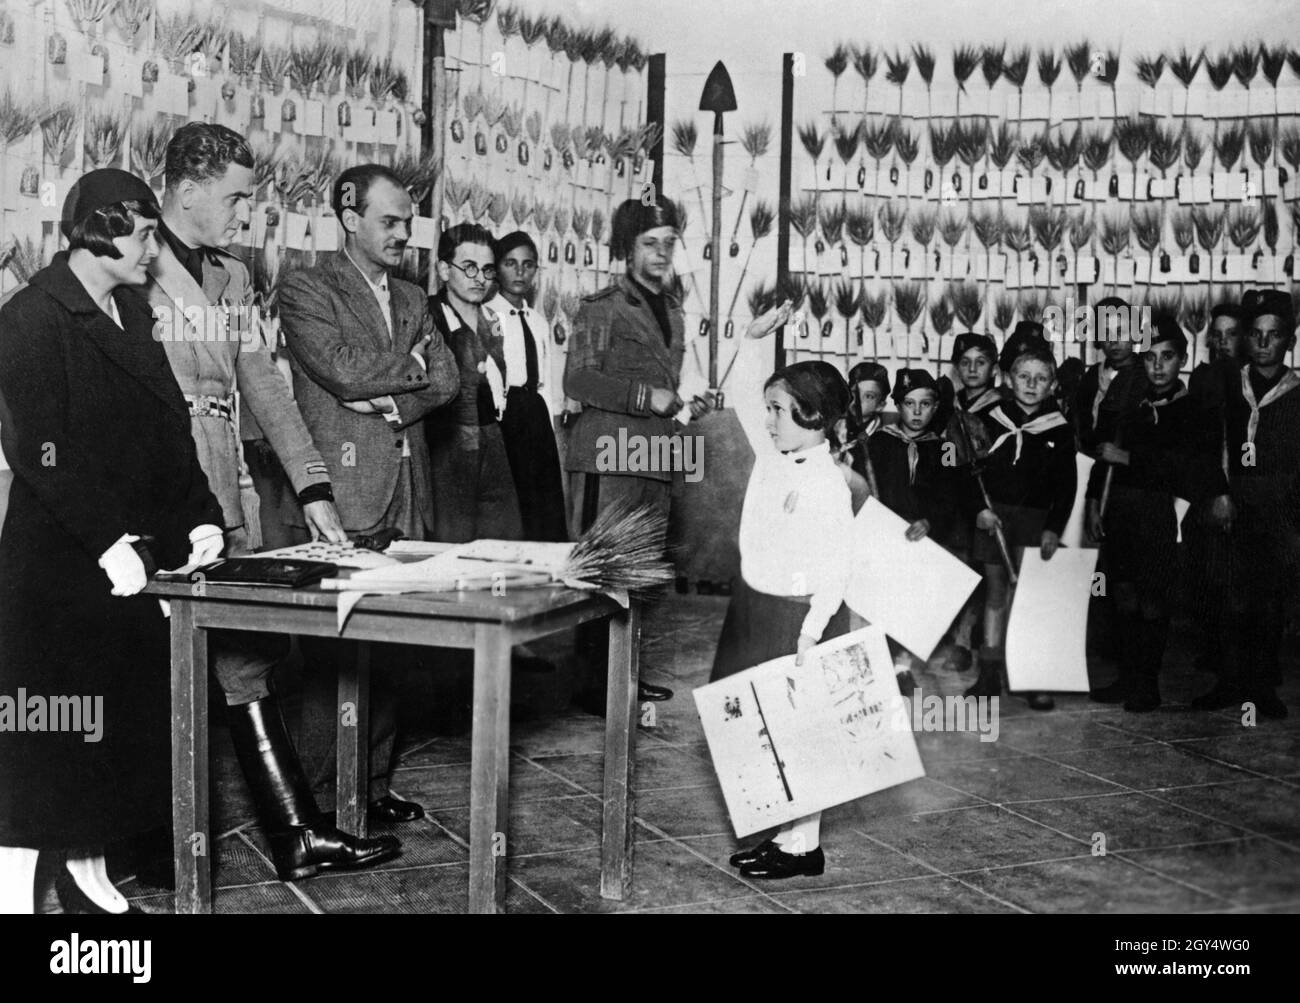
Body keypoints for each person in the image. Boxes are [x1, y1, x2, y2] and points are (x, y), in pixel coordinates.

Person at [144, 126, 401, 881]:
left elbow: (262, 382)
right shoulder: (131, 261)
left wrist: (314, 482)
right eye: (236, 198)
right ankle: (154, 838)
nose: (246, 214)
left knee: (244, 653)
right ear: (188, 193)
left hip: (225, 479)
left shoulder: (230, 276)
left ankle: (294, 831)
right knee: (157, 661)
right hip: (158, 479)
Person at [0, 172, 223, 913]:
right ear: (95, 231)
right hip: (59, 568)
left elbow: (169, 429)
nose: (152, 250)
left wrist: (200, 513)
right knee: (49, 743)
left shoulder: (131, 310)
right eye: (142, 234)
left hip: (131, 561)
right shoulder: (31, 315)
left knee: (112, 738)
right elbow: (40, 448)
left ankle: (89, 878)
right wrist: (104, 541)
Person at [279, 162, 460, 823]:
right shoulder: (305, 289)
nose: (403, 234)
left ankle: (374, 785)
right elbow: (342, 371)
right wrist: (401, 372)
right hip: (342, 489)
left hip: (402, 487)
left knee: (389, 644)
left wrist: (391, 406)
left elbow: (446, 382)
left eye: (408, 222)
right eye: (389, 221)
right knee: (333, 651)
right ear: (349, 219)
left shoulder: (413, 296)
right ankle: (324, 801)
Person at [712, 303, 855, 880]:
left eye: (780, 411)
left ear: (814, 416)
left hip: (799, 620)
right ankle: (786, 832)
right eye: (770, 410)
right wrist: (752, 339)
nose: (767, 420)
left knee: (800, 731)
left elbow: (838, 566)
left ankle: (804, 847)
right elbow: (747, 400)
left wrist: (811, 632)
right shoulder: (775, 457)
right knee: (758, 723)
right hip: (757, 607)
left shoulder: (826, 481)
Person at [563, 197, 699, 711]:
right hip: (609, 453)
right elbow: (576, 378)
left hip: (654, 453)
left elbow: (667, 385)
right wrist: (645, 397)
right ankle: (592, 683)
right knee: (605, 571)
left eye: (669, 242)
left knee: (638, 572)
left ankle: (623, 674)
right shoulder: (602, 306)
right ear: (626, 248)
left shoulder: (674, 310)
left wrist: (685, 402)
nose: (662, 252)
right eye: (650, 243)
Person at [1085, 319, 1227, 711]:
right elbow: (1104, 457)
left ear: (1182, 360)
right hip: (1121, 512)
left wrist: (1129, 458)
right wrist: (1095, 503)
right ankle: (1128, 678)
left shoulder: (1193, 410)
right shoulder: (1133, 405)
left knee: (1152, 598)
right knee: (1123, 595)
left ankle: (1147, 685)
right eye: (1150, 357)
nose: (1158, 366)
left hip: (1158, 513)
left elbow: (1186, 469)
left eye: (1167, 357)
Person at [1192, 289, 1298, 719]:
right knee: (1229, 594)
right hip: (1232, 498)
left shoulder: (1295, 393)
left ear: (1288, 340)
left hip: (1280, 504)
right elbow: (1206, 445)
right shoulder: (1226, 386)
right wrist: (1217, 492)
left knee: (1268, 598)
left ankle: (1261, 687)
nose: (1263, 343)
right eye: (1255, 334)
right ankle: (1229, 679)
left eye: (1274, 335)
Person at [964, 347, 1077, 711]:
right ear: (1009, 380)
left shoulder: (1059, 428)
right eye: (1023, 377)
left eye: (1040, 378)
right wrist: (979, 509)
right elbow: (966, 473)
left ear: (1052, 384)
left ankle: (1031, 676)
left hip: (1035, 520)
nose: (1031, 384)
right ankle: (989, 673)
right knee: (995, 594)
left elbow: (1067, 486)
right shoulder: (988, 418)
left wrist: (1053, 528)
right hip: (994, 517)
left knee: (1030, 598)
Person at [425, 223, 524, 543]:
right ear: (443, 269)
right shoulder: (427, 316)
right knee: (450, 545)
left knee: (502, 542)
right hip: (444, 447)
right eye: (468, 268)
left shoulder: (493, 321)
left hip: (493, 442)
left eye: (487, 270)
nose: (479, 278)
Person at [486, 231, 567, 542]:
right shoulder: (487, 315)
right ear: (497, 268)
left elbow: (545, 380)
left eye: (528, 265)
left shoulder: (538, 321)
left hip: (535, 414)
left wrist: (551, 427)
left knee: (544, 505)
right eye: (511, 263)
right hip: (506, 415)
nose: (520, 272)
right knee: (513, 501)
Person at [1185, 302, 1246, 675]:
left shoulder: (1251, 378)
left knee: (1241, 581)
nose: (1223, 343)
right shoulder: (1205, 378)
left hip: (1247, 491)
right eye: (1217, 336)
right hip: (1209, 491)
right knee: (1209, 577)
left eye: (1231, 335)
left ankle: (1245, 663)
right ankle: (1215, 652)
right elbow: (1204, 441)